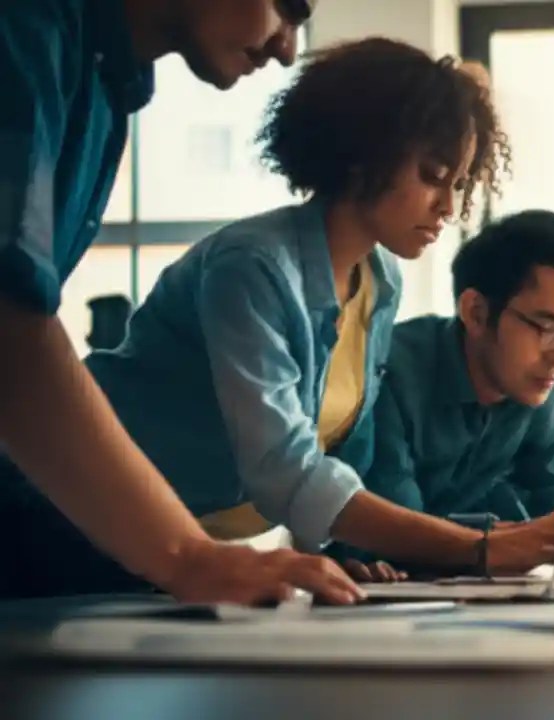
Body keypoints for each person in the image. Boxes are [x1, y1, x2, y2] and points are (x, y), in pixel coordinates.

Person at [0, 35, 513, 597]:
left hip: (165, 547)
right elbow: (284, 468)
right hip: (63, 514)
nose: (446, 206)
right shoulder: (252, 266)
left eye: (458, 186)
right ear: (365, 154)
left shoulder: (379, 281)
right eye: (433, 177)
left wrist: (354, 552)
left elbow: (349, 451)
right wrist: (481, 547)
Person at [0, 0, 371, 604]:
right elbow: (10, 336)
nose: (286, 49)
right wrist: (187, 556)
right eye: (289, 7)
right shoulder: (24, 29)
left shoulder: (107, 84)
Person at [356, 210, 554, 572]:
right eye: (547, 328)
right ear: (476, 313)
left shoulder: (538, 388)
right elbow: (399, 535)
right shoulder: (390, 374)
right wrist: (512, 536)